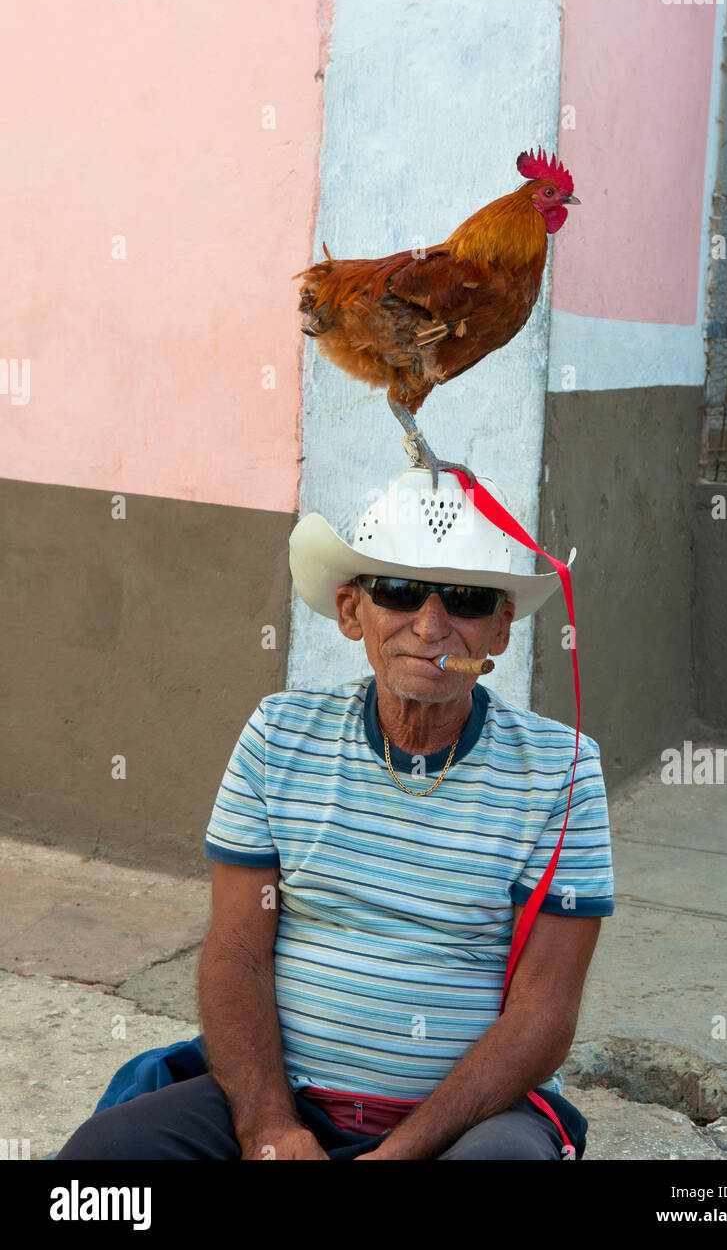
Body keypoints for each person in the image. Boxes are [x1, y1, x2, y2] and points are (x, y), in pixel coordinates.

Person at [56, 466, 614, 1160]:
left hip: (472, 1119)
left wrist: (402, 1152)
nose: (431, 626)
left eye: (466, 601)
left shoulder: (560, 768)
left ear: (499, 631)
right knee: (104, 1164)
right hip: (286, 1098)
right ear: (353, 612)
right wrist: (267, 1128)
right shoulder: (280, 735)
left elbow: (545, 1011)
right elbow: (235, 953)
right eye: (401, 593)